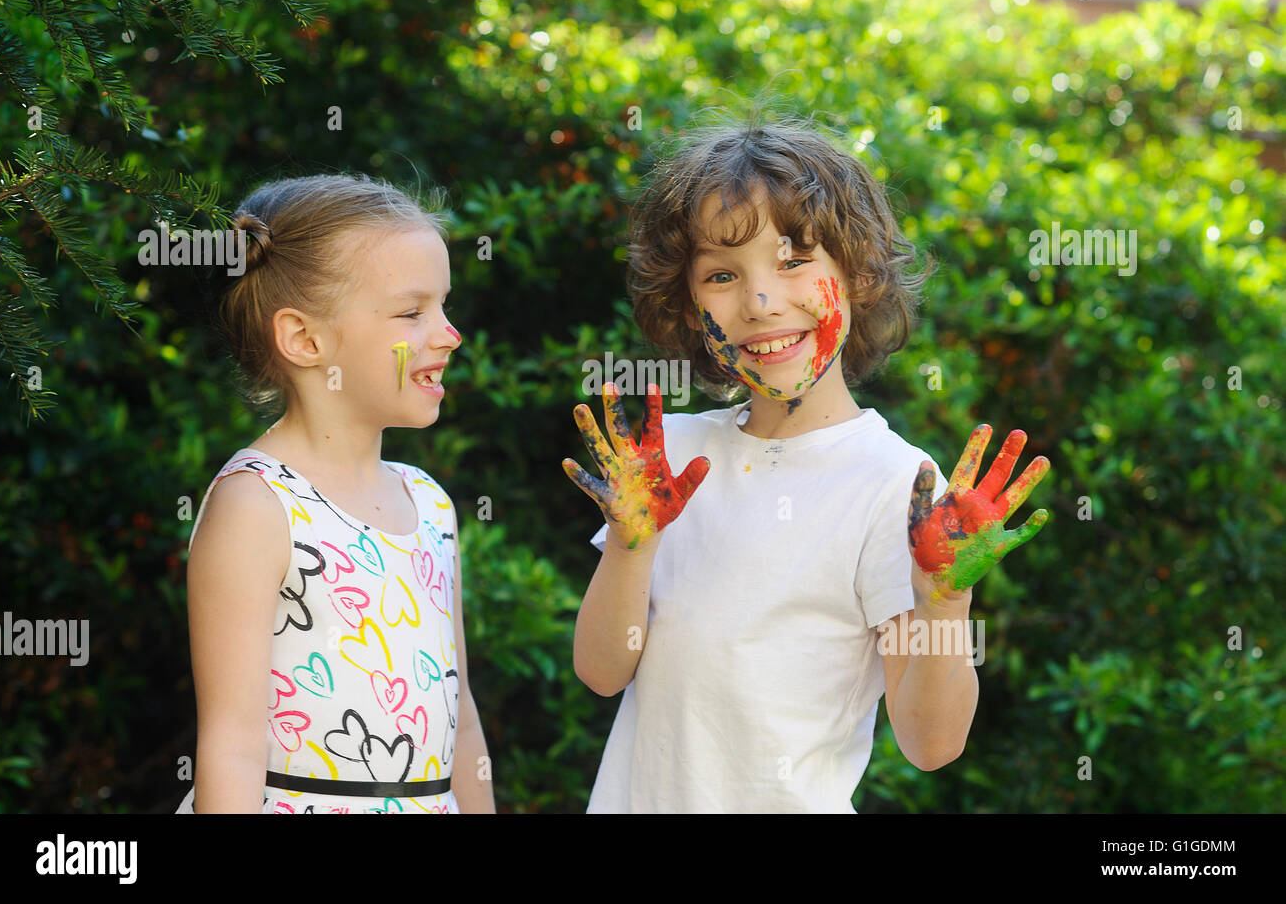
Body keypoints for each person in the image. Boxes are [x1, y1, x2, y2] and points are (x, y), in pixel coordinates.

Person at [562, 114, 1051, 813]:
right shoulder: (669, 462)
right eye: (723, 274)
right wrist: (632, 549)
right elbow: (602, 671)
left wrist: (946, 602)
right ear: (688, 301)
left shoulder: (897, 487)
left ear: (856, 275)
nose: (761, 302)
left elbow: (930, 744)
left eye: (794, 261)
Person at [176, 173, 493, 813]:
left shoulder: (430, 503)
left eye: (444, 305)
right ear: (304, 340)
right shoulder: (257, 505)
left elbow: (459, 707)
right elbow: (232, 745)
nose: (449, 334)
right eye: (412, 312)